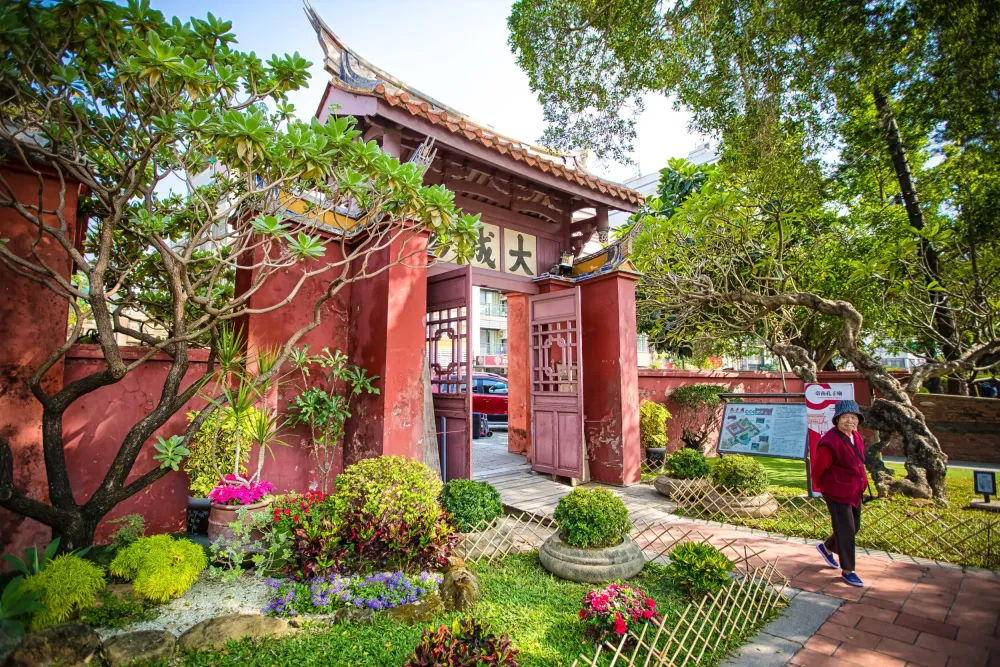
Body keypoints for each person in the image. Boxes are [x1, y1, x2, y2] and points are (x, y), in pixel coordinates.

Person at [812, 400, 869, 587]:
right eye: (845, 417)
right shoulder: (830, 442)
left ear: (858, 420)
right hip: (837, 492)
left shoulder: (856, 437)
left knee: (854, 527)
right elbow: (819, 468)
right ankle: (848, 570)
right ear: (837, 419)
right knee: (846, 532)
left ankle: (827, 547)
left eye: (853, 417)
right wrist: (824, 488)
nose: (850, 421)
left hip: (854, 491)